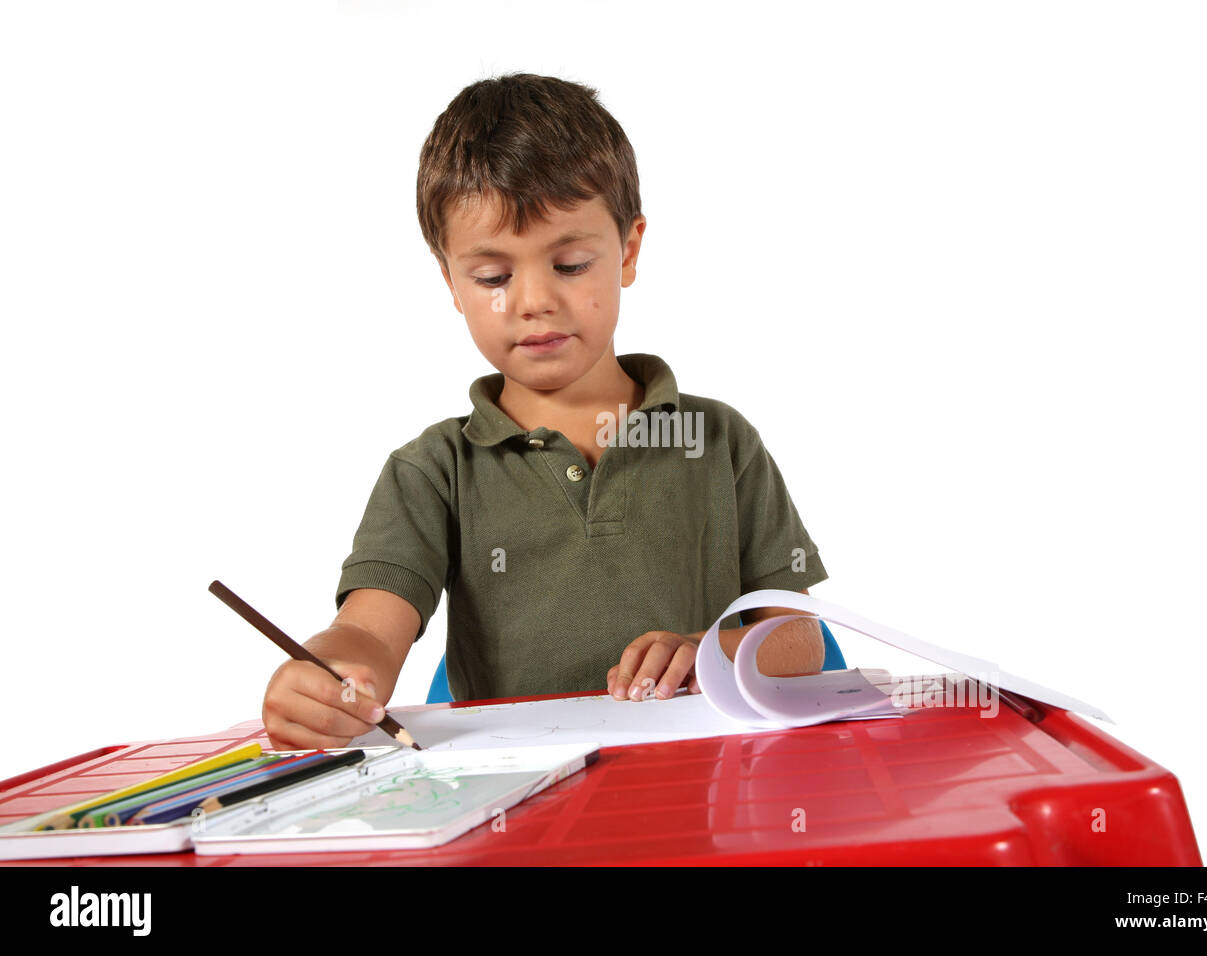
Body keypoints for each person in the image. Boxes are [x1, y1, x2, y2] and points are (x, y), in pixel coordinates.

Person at [261, 73, 829, 751]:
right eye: (493, 277)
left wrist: (712, 650)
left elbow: (800, 637)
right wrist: (332, 676)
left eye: (570, 263)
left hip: (705, 788)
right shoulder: (433, 472)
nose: (533, 300)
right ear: (450, 281)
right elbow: (367, 631)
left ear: (628, 250)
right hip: (518, 804)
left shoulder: (719, 441)